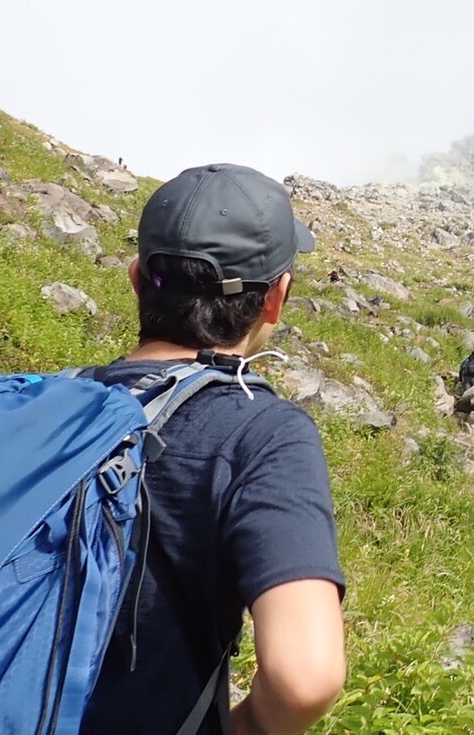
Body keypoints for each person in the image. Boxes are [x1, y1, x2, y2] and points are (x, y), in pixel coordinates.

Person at [82, 163, 346, 735]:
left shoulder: (52, 399)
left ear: (136, 277)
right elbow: (306, 677)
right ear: (276, 298)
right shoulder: (264, 433)